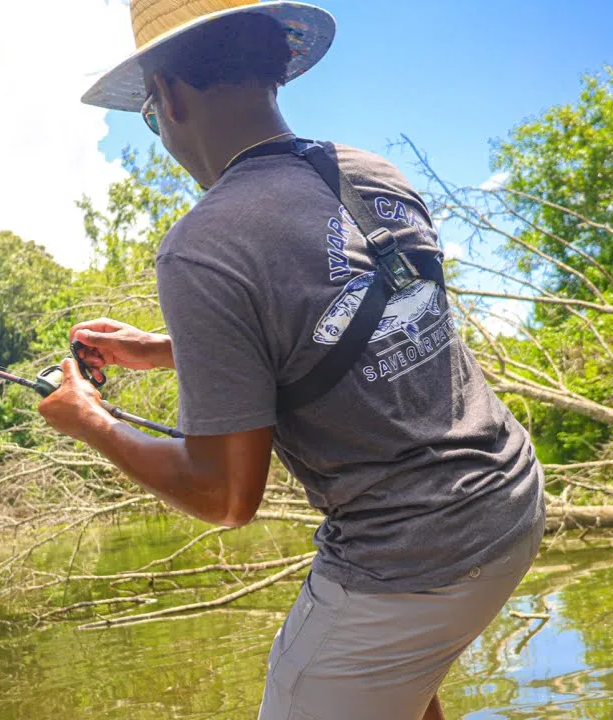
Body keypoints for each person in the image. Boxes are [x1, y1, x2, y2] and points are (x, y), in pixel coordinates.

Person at [39, 2, 545, 718]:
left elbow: (225, 497)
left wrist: (89, 421)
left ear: (170, 97)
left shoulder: (203, 244)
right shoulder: (371, 172)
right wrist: (164, 351)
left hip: (410, 556)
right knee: (396, 685)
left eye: (150, 117)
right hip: (511, 500)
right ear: (274, 68)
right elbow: (357, 319)